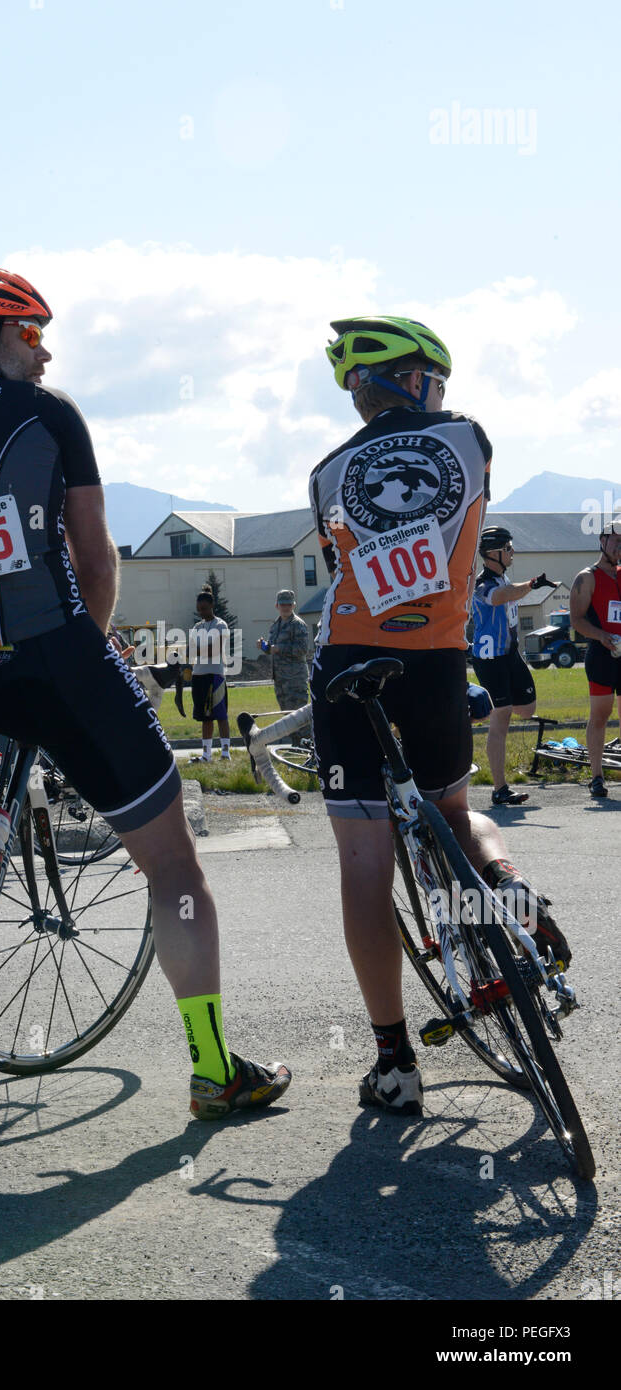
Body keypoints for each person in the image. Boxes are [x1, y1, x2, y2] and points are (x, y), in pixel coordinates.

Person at [0, 265, 289, 1120]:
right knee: (175, 868)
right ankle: (212, 1067)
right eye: (30, 332)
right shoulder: (46, 415)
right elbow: (96, 563)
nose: (45, 349)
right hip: (59, 660)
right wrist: (89, 665)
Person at [309, 315, 571, 1117]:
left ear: (359, 389)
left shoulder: (326, 470)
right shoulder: (466, 437)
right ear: (418, 379)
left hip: (348, 663)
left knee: (363, 857)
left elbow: (339, 564)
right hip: (434, 659)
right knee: (452, 808)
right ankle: (504, 882)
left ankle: (393, 1062)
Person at [470, 526, 558, 806]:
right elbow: (500, 596)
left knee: (527, 709)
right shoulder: (484, 583)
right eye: (508, 548)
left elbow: (508, 592)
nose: (512, 552)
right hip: (489, 658)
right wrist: (532, 584)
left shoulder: (503, 577)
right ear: (492, 553)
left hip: (509, 654)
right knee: (503, 717)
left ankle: (471, 711)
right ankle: (500, 789)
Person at [569, 519, 621, 797]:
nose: (620, 547)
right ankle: (598, 776)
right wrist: (601, 636)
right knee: (600, 715)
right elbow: (576, 620)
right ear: (603, 541)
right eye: (616, 541)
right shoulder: (586, 577)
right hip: (602, 655)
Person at [190, 586, 232, 761]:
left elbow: (214, 649)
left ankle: (225, 752)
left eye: (204, 609)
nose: (201, 612)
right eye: (199, 609)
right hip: (198, 675)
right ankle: (206, 754)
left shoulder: (221, 625)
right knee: (205, 717)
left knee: (220, 715)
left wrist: (195, 651)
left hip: (215, 675)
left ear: (212, 606)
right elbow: (191, 650)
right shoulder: (196, 627)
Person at [257, 589, 312, 710]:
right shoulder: (275, 625)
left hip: (295, 680)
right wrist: (264, 646)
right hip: (280, 681)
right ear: (277, 605)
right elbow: (272, 648)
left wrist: (279, 648)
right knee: (286, 719)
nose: (286, 607)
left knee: (299, 720)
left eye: (289, 604)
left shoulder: (298, 624)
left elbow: (303, 649)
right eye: (283, 604)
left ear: (294, 605)